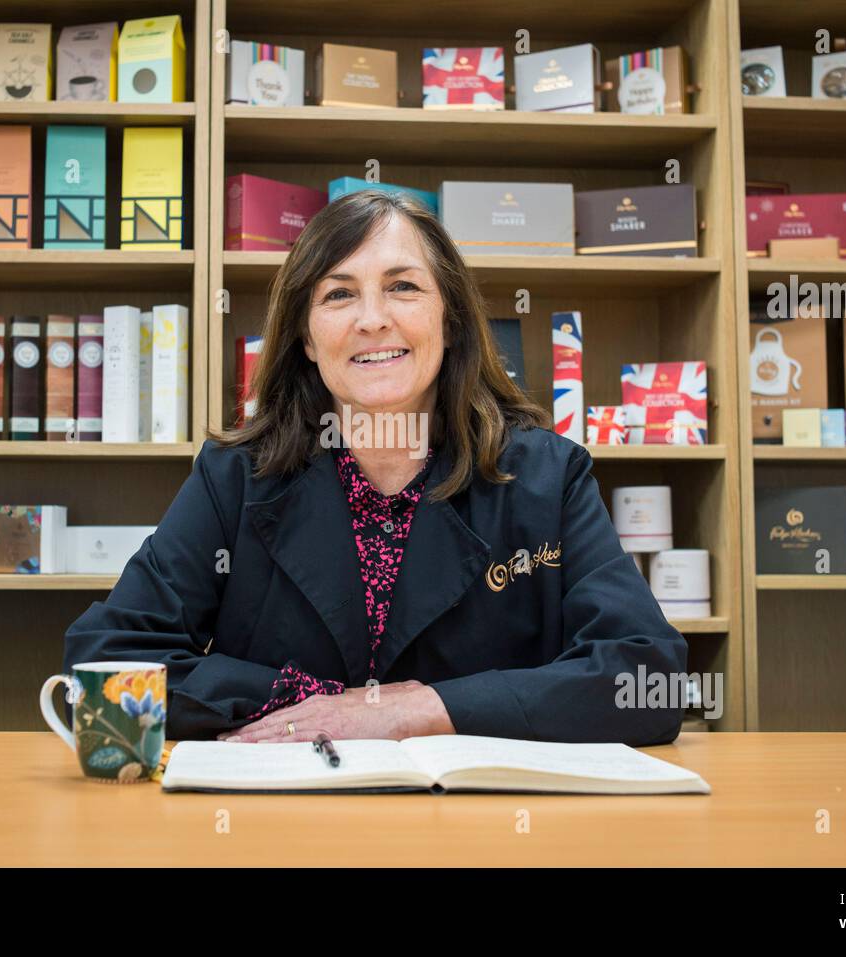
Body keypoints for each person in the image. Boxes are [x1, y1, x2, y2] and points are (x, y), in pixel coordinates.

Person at [63, 189, 687, 746]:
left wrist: (422, 709)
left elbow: (646, 676)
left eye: (403, 287)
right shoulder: (235, 477)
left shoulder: (549, 478)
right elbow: (108, 657)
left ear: (452, 320)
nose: (371, 318)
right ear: (306, 338)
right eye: (338, 294)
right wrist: (316, 708)